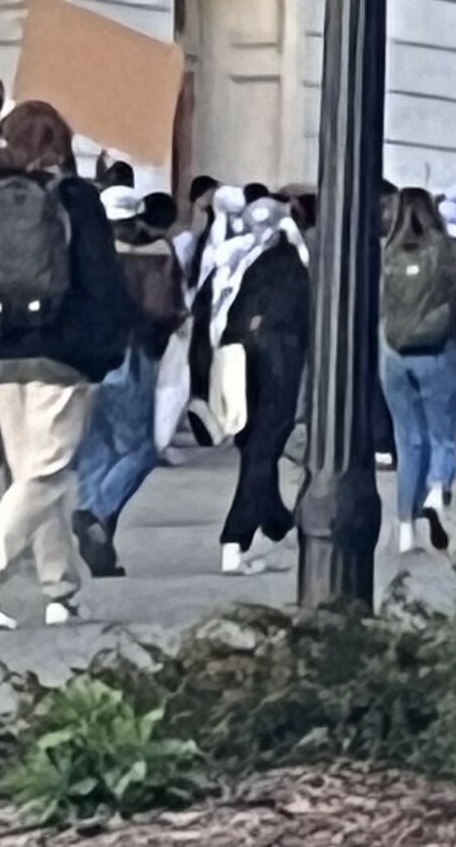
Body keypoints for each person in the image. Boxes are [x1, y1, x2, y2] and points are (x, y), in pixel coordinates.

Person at [0, 102, 125, 626]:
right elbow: (101, 280)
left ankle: (61, 589)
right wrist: (105, 351)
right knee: (47, 473)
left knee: (29, 473)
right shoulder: (75, 198)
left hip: (4, 351)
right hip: (62, 351)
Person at [73, 188, 186, 577]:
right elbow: (162, 309)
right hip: (133, 352)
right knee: (141, 448)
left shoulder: (87, 249)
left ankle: (99, 540)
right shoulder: (157, 252)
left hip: (88, 355)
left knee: (97, 445)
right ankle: (98, 510)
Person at [203, 196, 309, 575]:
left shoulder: (235, 258)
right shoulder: (292, 263)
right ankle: (237, 537)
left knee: (253, 447)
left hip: (235, 359)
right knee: (263, 448)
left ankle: (276, 520)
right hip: (278, 362)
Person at [379, 188, 456, 551]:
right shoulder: (453, 252)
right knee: (443, 433)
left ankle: (404, 529)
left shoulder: (385, 253)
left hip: (393, 352)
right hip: (437, 349)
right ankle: (436, 491)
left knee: (408, 441)